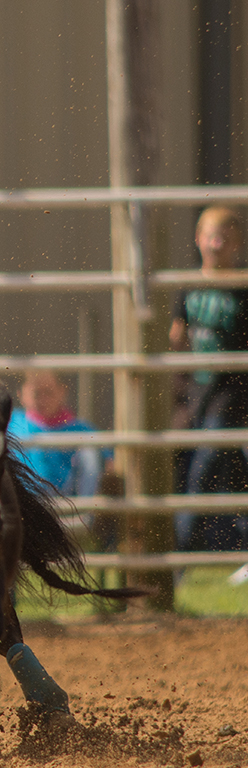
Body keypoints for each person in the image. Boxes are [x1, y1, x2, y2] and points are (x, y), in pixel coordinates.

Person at [169, 205, 248, 552]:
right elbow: (177, 333)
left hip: (232, 392)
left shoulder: (242, 286)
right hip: (198, 391)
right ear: (198, 239)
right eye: (211, 236)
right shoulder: (189, 286)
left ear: (237, 244)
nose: (217, 244)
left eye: (225, 238)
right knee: (231, 474)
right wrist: (180, 383)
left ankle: (177, 559)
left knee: (203, 470)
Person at [8, 370, 115, 549]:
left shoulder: (81, 428)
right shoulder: (13, 423)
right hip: (26, 501)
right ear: (21, 395)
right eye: (36, 394)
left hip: (67, 501)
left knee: (90, 451)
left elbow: (110, 464)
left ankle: (83, 516)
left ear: (62, 391)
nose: (42, 399)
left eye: (48, 393)